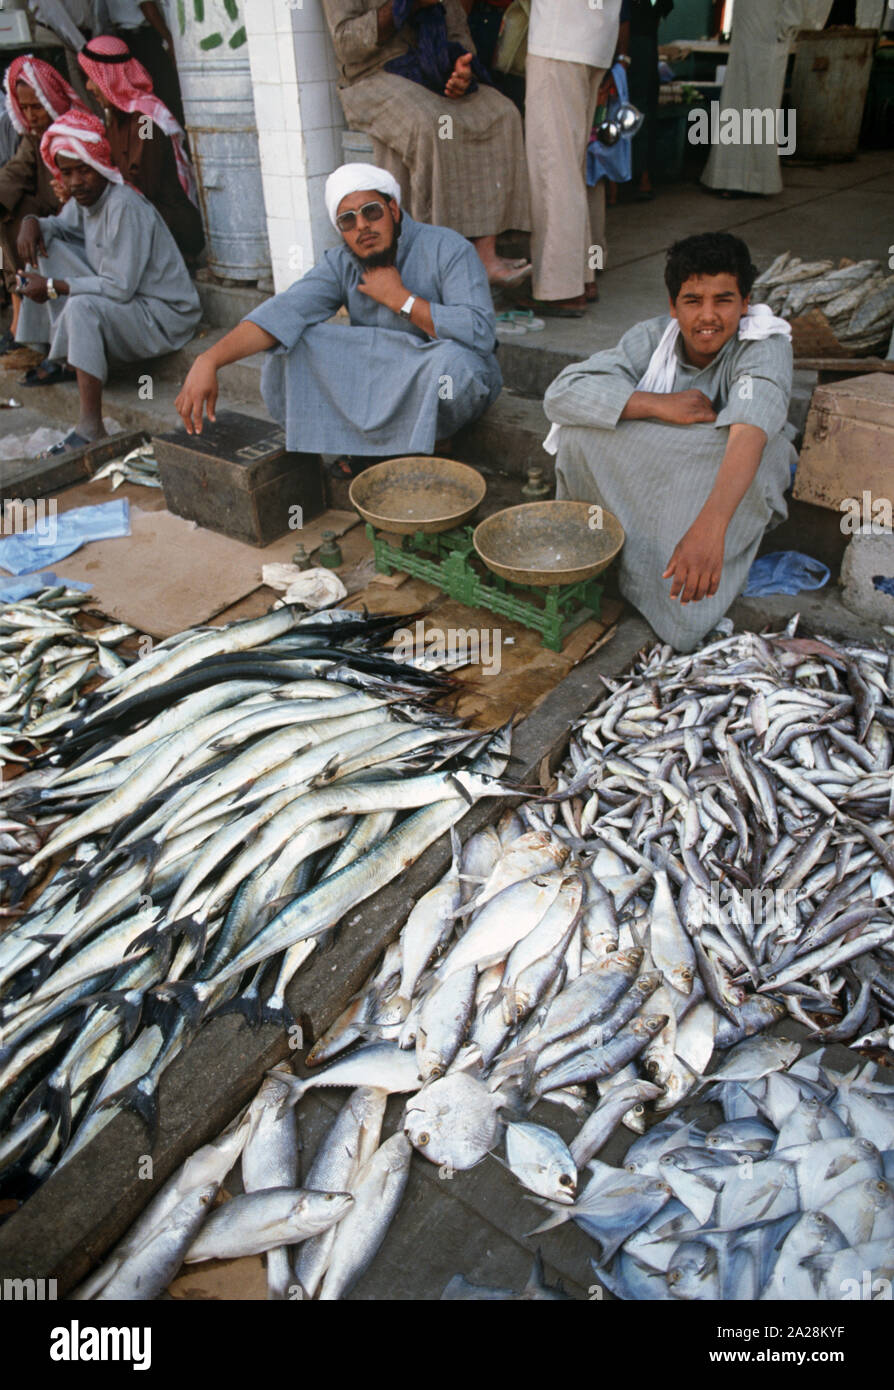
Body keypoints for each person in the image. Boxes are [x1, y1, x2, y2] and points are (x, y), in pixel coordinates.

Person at [543, 232, 795, 652]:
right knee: (578, 433)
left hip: (722, 465)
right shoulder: (655, 337)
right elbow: (562, 395)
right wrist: (656, 405)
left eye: (724, 300)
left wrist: (709, 531)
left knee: (753, 449)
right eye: (693, 301)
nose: (708, 317)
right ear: (673, 305)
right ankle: (605, 558)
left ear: (745, 302)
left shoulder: (763, 346)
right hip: (667, 458)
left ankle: (673, 579)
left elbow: (751, 426)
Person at [175, 163, 502, 476]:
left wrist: (402, 300)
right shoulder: (341, 262)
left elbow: (480, 333)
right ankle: (384, 445)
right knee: (290, 346)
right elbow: (285, 311)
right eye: (347, 220)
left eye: (371, 211)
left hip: (434, 374)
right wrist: (210, 359)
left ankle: (430, 438)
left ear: (393, 209)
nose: (362, 226)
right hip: (382, 380)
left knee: (455, 369)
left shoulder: (448, 248)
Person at [15, 108, 202, 452]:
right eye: (67, 172)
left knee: (82, 306)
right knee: (46, 243)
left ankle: (91, 426)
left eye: (83, 170)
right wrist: (32, 221)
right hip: (130, 300)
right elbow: (58, 226)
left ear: (99, 165)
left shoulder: (123, 205)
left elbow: (119, 287)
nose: (74, 182)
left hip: (163, 316)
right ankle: (64, 355)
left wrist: (54, 287)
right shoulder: (87, 200)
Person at [320, 0, 531, 288]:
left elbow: (457, 30)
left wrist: (460, 67)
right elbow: (347, 44)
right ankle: (438, 260)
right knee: (433, 126)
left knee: (502, 114)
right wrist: (405, 5)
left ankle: (485, 254)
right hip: (372, 75)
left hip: (433, 66)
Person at [516, 0, 622, 317]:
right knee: (568, 166)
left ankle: (559, 288)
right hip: (594, 39)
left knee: (552, 168)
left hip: (559, 41)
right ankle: (581, 276)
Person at [77, 34, 203, 262]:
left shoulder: (146, 120)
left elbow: (141, 181)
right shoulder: (115, 116)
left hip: (170, 223)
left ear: (109, 78)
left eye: (92, 78)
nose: (88, 86)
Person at [700, 0, 833, 197]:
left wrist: (787, 25)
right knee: (736, 103)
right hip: (747, 33)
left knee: (760, 106)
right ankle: (727, 176)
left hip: (768, 35)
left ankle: (754, 181)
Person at [0, 56, 80, 359]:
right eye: (26, 108)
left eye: (37, 106)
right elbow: (17, 170)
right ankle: (19, 314)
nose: (31, 115)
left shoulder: (74, 131)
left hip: (76, 220)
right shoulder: (34, 137)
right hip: (47, 215)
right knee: (6, 214)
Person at [106, 0, 185, 126]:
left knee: (142, 100)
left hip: (123, 38)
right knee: (163, 96)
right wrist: (169, 41)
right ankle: (171, 140)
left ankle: (150, 138)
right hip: (142, 41)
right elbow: (148, 8)